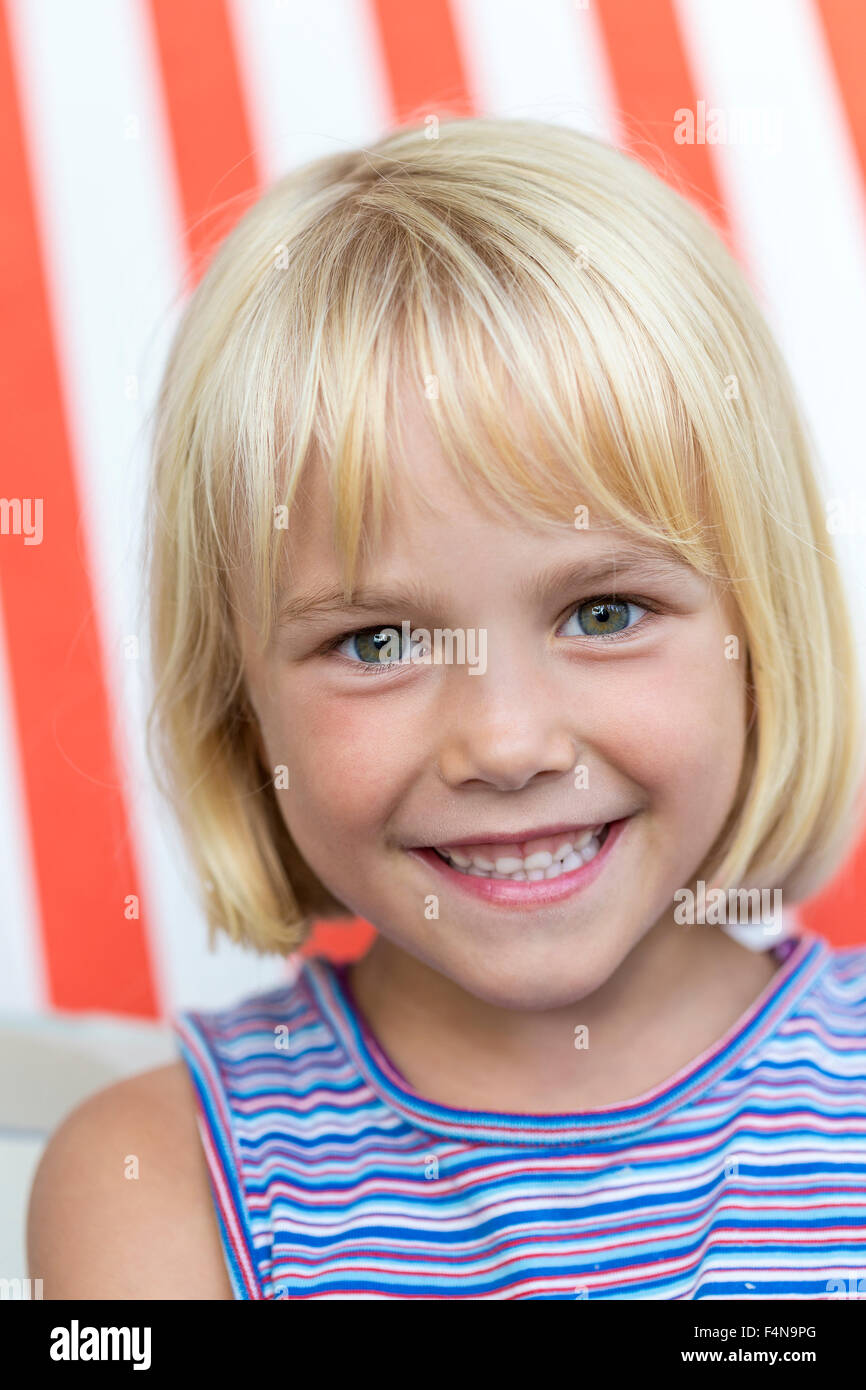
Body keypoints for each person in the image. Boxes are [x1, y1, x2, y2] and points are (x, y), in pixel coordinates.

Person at [28, 117, 866, 1299]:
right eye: (375, 641)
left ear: (760, 637)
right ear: (241, 708)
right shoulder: (153, 1180)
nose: (506, 741)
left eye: (605, 612)